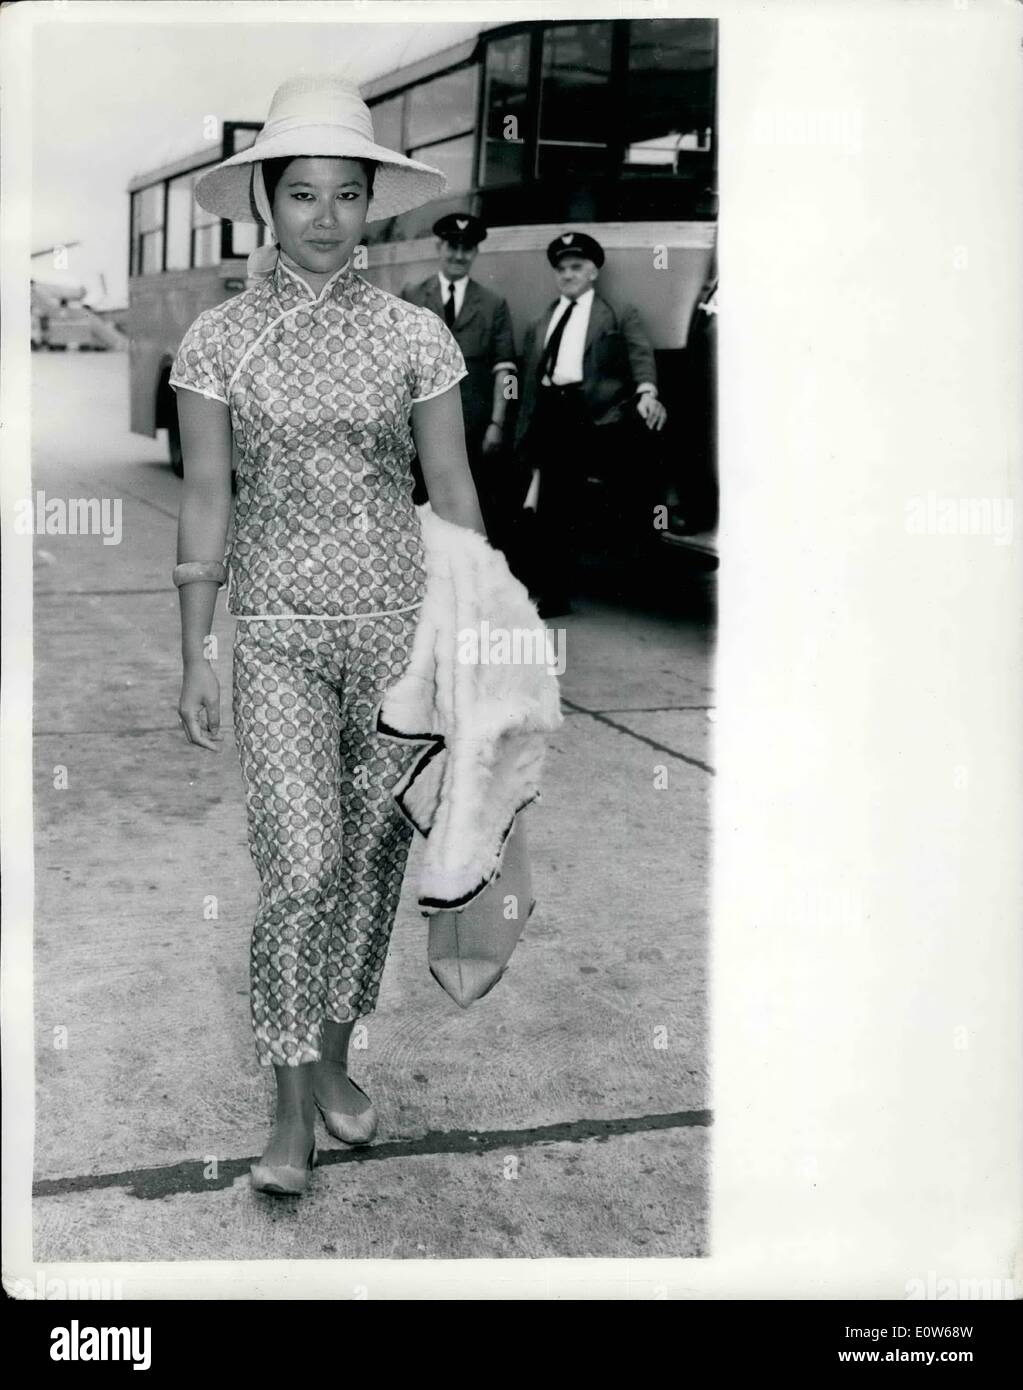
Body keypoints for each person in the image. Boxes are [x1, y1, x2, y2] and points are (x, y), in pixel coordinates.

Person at [169, 74, 486, 1196]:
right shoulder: (217, 342)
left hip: (398, 639)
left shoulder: (418, 335)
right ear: (265, 199)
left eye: (346, 195)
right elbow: (208, 498)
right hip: (277, 639)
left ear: (372, 204)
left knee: (368, 862)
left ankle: (338, 1061)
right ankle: (289, 1110)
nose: (323, 217)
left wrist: (470, 638)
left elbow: (450, 488)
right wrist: (198, 646)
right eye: (300, 193)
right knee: (299, 865)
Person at [513, 231, 667, 616]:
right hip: (553, 410)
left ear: (594, 271)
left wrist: (648, 392)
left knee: (612, 498)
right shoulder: (542, 319)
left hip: (595, 414)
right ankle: (552, 593)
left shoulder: (614, 314)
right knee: (552, 505)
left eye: (577, 267)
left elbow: (639, 354)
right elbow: (531, 379)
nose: (568, 275)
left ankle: (642, 582)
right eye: (562, 269)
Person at [401, 213, 518, 553]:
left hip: (473, 426)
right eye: (452, 246)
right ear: (440, 247)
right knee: (417, 506)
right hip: (417, 425)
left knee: (469, 513)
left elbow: (505, 370)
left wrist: (498, 421)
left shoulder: (494, 304)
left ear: (476, 253)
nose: (458, 255)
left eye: (467, 249)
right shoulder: (412, 295)